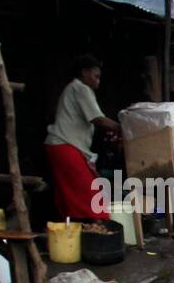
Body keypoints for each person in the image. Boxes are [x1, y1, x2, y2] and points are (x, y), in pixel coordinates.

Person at [44, 54, 120, 221]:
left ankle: (73, 228)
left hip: (59, 146)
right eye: (96, 76)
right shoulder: (80, 88)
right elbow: (98, 119)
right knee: (90, 191)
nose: (98, 81)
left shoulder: (72, 89)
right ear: (85, 73)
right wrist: (124, 128)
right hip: (65, 146)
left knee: (70, 192)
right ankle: (97, 227)